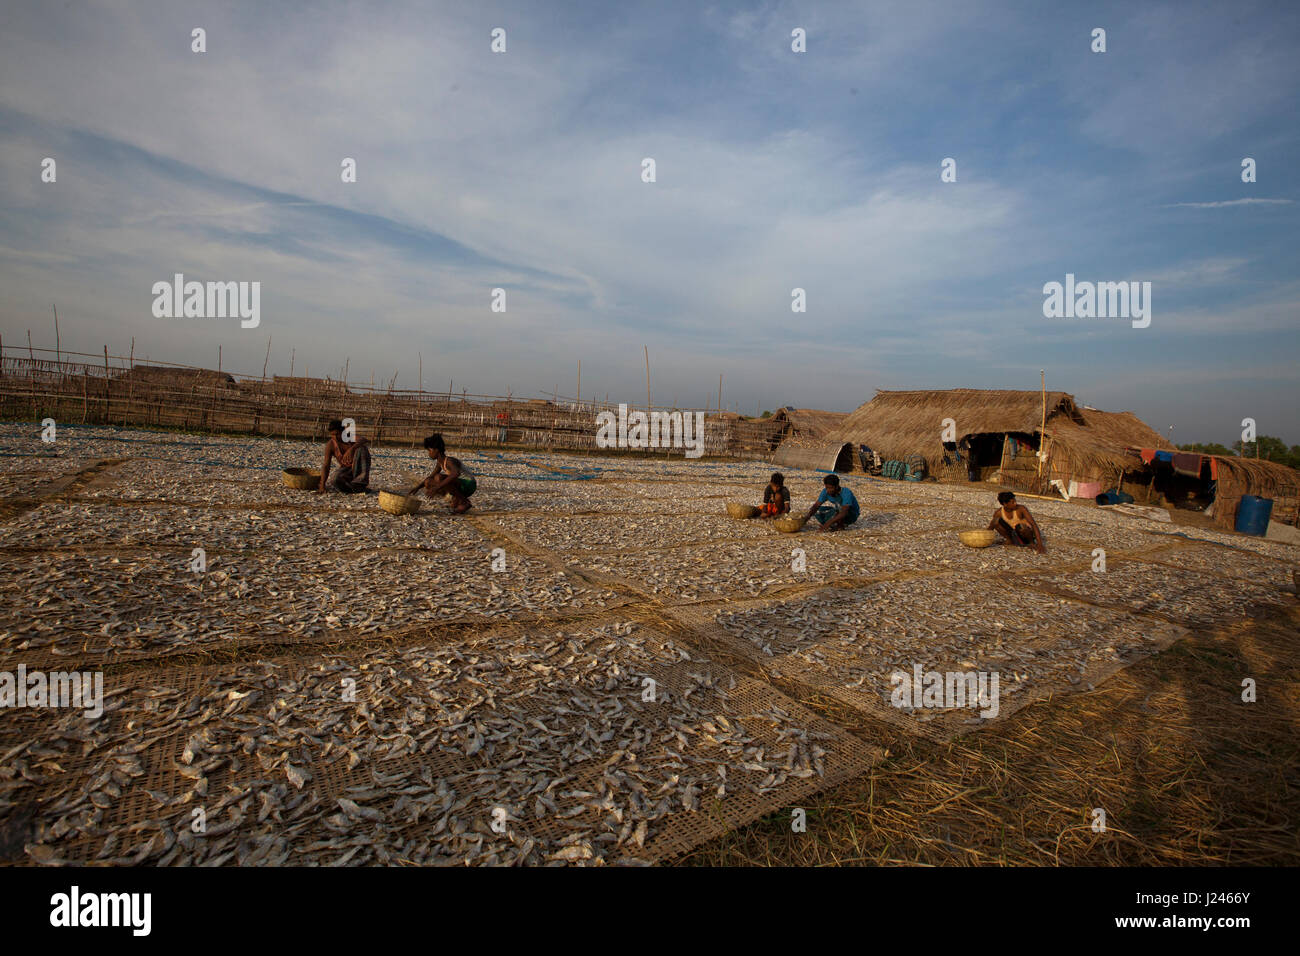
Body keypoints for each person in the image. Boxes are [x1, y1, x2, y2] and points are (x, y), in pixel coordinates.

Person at [409, 433, 476, 513]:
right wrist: (418, 487)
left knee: (439, 478)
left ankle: (464, 501)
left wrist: (436, 488)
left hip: (469, 484)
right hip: (460, 484)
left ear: (436, 450)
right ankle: (456, 499)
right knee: (428, 482)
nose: (429, 453)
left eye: (429, 450)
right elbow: (430, 477)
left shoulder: (450, 461)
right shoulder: (440, 463)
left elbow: (455, 474)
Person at [317, 418, 371, 494]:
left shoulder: (349, 437)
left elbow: (363, 439)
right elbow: (326, 465)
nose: (335, 437)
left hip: (358, 468)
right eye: (332, 435)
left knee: (361, 448)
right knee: (334, 479)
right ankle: (354, 489)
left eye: (337, 434)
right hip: (346, 469)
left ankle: (360, 484)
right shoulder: (331, 445)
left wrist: (352, 449)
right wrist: (322, 485)